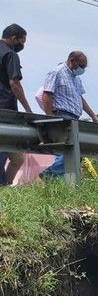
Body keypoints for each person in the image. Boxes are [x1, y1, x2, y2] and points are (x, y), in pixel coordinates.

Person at [40, 51, 98, 179]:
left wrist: (93, 116)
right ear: (72, 60)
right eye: (81, 66)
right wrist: (49, 116)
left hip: (74, 118)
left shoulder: (76, 79)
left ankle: (57, 181)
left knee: (76, 152)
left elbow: (80, 99)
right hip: (62, 115)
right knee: (68, 150)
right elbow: (47, 94)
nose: (82, 69)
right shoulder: (57, 72)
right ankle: (49, 174)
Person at [0, 23, 33, 185]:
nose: (22, 46)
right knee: (2, 150)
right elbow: (14, 83)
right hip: (5, 110)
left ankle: (4, 189)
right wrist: (27, 109)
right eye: (22, 41)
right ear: (14, 38)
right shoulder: (11, 55)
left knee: (17, 157)